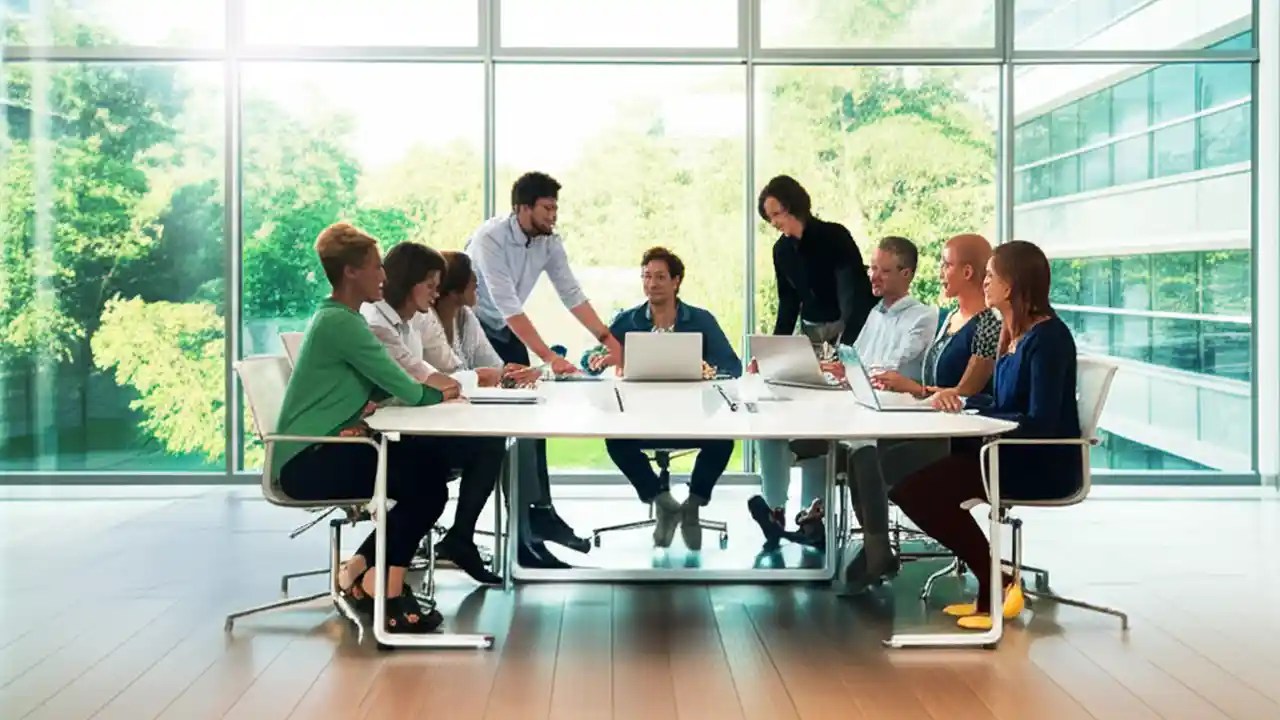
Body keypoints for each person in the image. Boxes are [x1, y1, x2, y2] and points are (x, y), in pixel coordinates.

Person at [273, 222, 459, 634]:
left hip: (319, 449)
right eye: (376, 267)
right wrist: (442, 393)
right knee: (426, 484)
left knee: (427, 471)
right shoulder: (342, 323)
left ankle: (364, 572)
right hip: (305, 463)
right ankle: (385, 592)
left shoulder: (340, 319)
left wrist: (357, 415)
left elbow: (376, 386)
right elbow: (403, 386)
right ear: (351, 272)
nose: (384, 276)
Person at [891, 240, 1081, 630]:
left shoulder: (1049, 339)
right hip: (1003, 454)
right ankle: (993, 583)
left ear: (1010, 286)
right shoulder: (1012, 334)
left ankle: (995, 581)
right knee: (911, 488)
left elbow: (1041, 421)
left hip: (1040, 464)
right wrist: (962, 402)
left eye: (992, 276)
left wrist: (977, 413)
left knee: (916, 493)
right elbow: (1001, 402)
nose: (985, 282)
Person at [463, 171, 623, 568]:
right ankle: (520, 532)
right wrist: (549, 358)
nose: (554, 215)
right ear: (522, 208)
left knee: (530, 420)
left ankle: (537, 517)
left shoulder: (549, 241)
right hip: (473, 329)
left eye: (555, 208)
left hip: (505, 330)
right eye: (547, 208)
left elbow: (571, 293)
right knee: (502, 431)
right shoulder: (490, 239)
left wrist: (609, 341)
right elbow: (507, 305)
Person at [840, 233, 1001, 592]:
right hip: (933, 419)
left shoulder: (988, 323)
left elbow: (965, 391)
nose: (940, 272)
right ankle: (876, 549)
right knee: (860, 452)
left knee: (870, 456)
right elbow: (936, 383)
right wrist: (918, 391)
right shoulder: (952, 318)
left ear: (968, 272)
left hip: (958, 434)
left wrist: (915, 389)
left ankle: (879, 552)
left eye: (946, 265)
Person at [757, 236, 937, 531]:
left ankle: (814, 519)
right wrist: (835, 369)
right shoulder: (876, 313)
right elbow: (855, 359)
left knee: (818, 435)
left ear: (906, 274)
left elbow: (888, 368)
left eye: (883, 270)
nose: (873, 276)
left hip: (887, 414)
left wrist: (852, 371)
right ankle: (775, 512)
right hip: (857, 401)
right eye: (872, 268)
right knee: (770, 427)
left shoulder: (923, 316)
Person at [360, 242, 512, 586]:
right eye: (430, 285)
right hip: (382, 439)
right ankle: (382, 577)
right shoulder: (377, 325)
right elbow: (417, 378)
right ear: (409, 282)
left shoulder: (411, 319)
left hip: (406, 426)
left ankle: (454, 541)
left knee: (486, 444)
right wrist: (462, 382)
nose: (436, 293)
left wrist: (458, 381)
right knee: (448, 473)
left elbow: (439, 369)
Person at [590, 247, 741, 550]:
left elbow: (733, 367)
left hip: (692, 418)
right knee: (615, 440)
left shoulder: (701, 320)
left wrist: (707, 368)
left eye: (660, 277)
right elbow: (589, 357)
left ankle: (693, 505)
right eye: (647, 276)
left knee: (724, 439)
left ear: (676, 281)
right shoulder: (628, 320)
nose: (652, 284)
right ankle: (662, 502)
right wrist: (600, 360)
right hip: (642, 419)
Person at [759, 175, 876, 350]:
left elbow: (851, 292)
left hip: (844, 328)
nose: (774, 223)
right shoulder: (781, 251)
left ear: (793, 205)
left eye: (776, 214)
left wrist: (847, 341)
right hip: (809, 332)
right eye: (769, 218)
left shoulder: (835, 236)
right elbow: (788, 303)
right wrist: (775, 348)